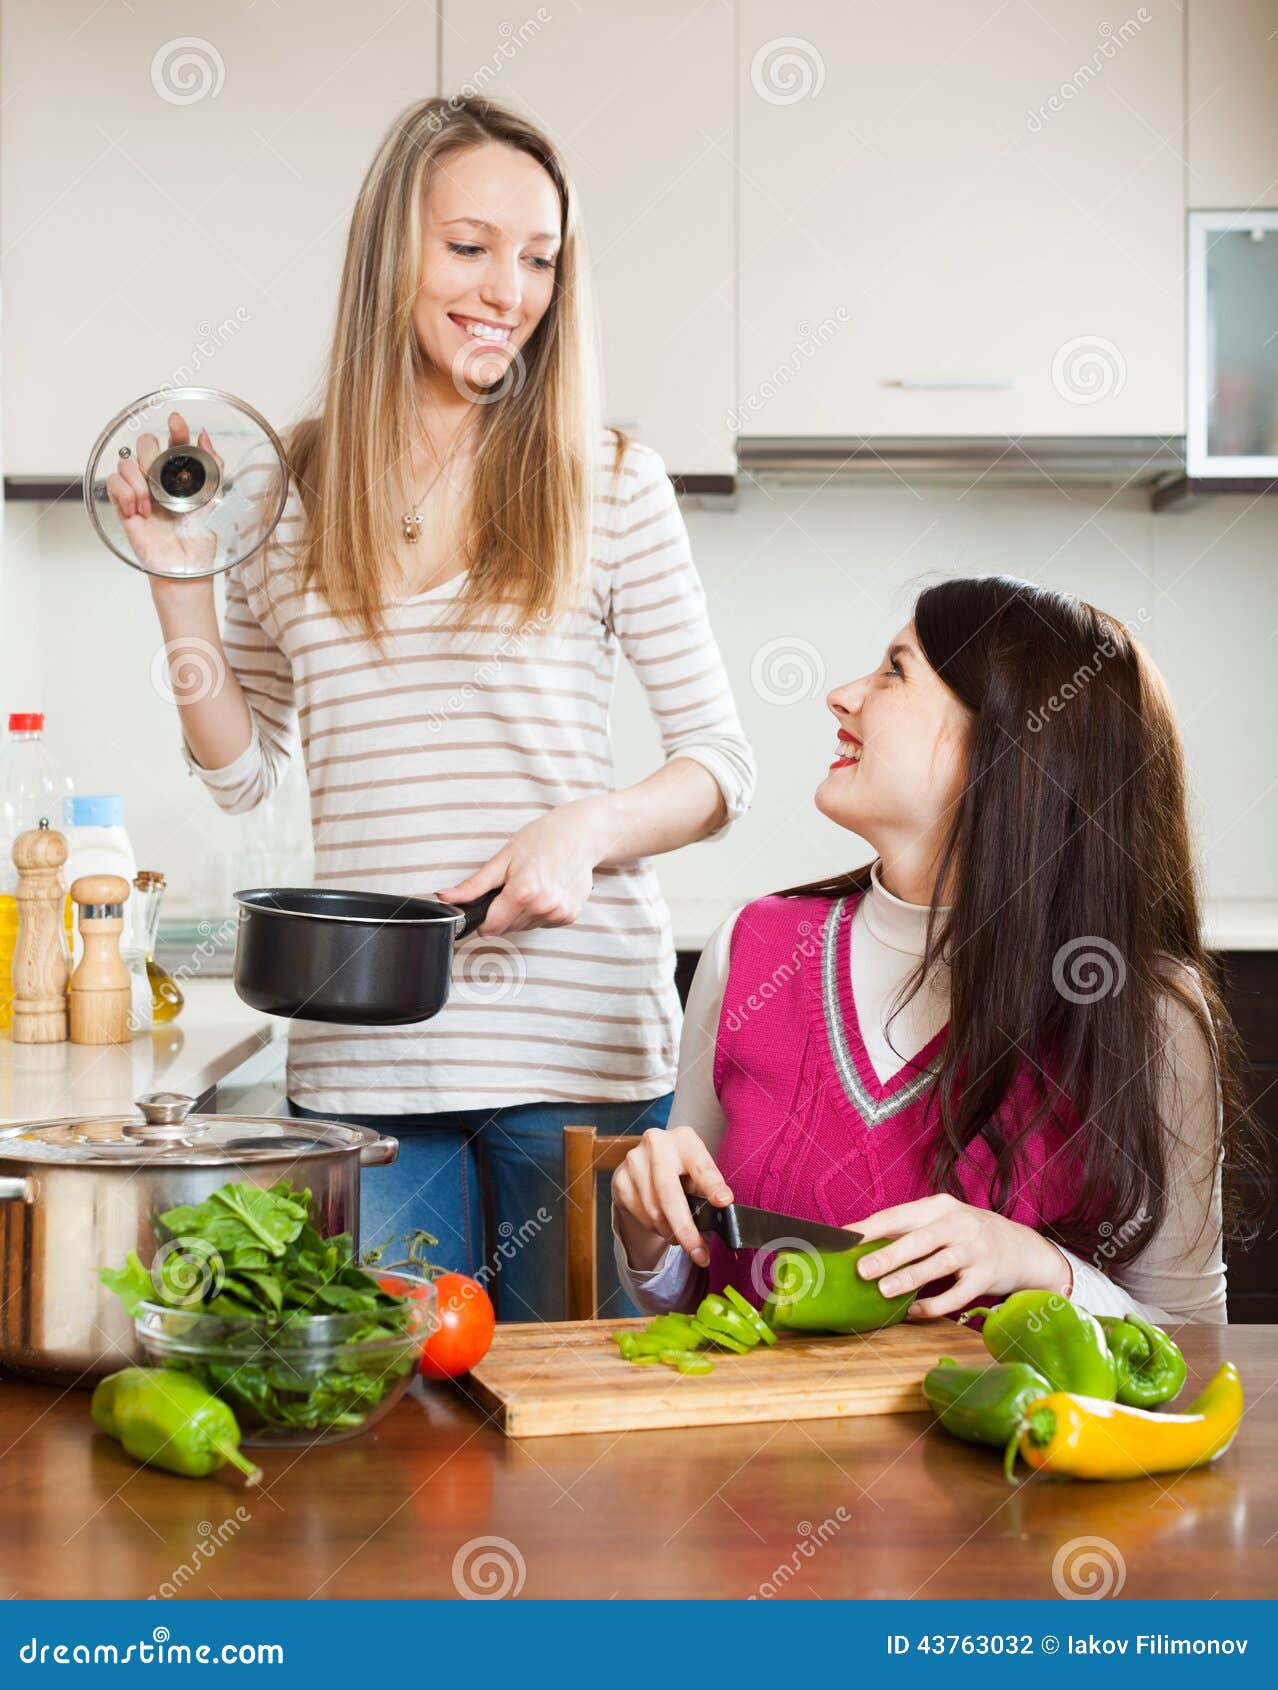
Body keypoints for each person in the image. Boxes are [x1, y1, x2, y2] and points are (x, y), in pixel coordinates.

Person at [111, 96, 754, 1320]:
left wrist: (585, 830)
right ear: (390, 253)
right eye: (469, 247)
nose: (507, 289)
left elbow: (720, 763)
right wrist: (177, 580)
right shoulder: (283, 490)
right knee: (393, 1429)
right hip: (368, 1043)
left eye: (539, 258)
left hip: (578, 1040)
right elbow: (244, 769)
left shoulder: (609, 480)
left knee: (573, 1445)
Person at [613, 576, 1259, 1324]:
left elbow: (1192, 1346)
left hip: (1016, 1445)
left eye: (894, 671)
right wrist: (646, 1233)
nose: (844, 695)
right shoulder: (755, 948)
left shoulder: (1147, 1012)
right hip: (768, 1439)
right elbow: (695, 1292)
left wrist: (1043, 1268)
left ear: (1010, 743)